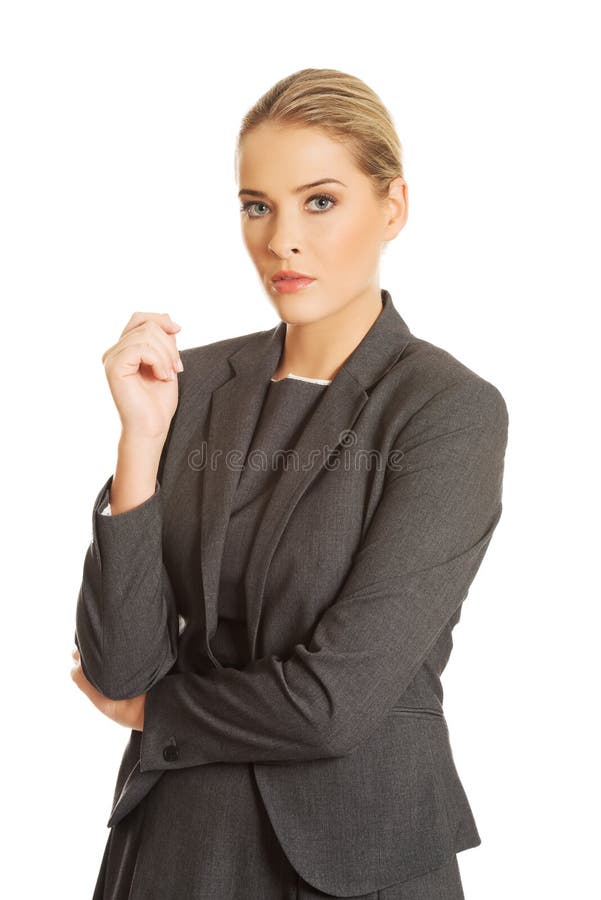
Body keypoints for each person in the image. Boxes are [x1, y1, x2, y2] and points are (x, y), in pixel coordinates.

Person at [71, 67, 509, 900]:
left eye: (319, 201)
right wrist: (140, 440)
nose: (281, 241)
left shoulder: (445, 410)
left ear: (392, 207)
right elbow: (119, 666)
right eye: (256, 206)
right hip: (176, 846)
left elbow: (334, 702)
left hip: (357, 858)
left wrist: (158, 713)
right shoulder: (190, 385)